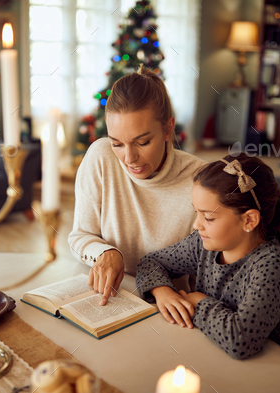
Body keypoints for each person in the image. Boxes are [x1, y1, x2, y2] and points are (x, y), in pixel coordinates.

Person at [136, 154, 280, 360]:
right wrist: (162, 292)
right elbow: (150, 262)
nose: (197, 224)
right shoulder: (204, 245)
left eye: (208, 217)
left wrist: (198, 301)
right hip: (213, 355)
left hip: (269, 372)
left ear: (249, 220)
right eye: (197, 213)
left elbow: (241, 341)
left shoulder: (272, 265)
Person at [68, 65, 205, 306]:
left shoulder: (200, 179)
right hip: (109, 299)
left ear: (168, 128)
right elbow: (80, 235)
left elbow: (209, 270)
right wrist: (105, 252)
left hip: (167, 306)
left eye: (142, 142)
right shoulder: (100, 157)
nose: (129, 158)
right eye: (117, 144)